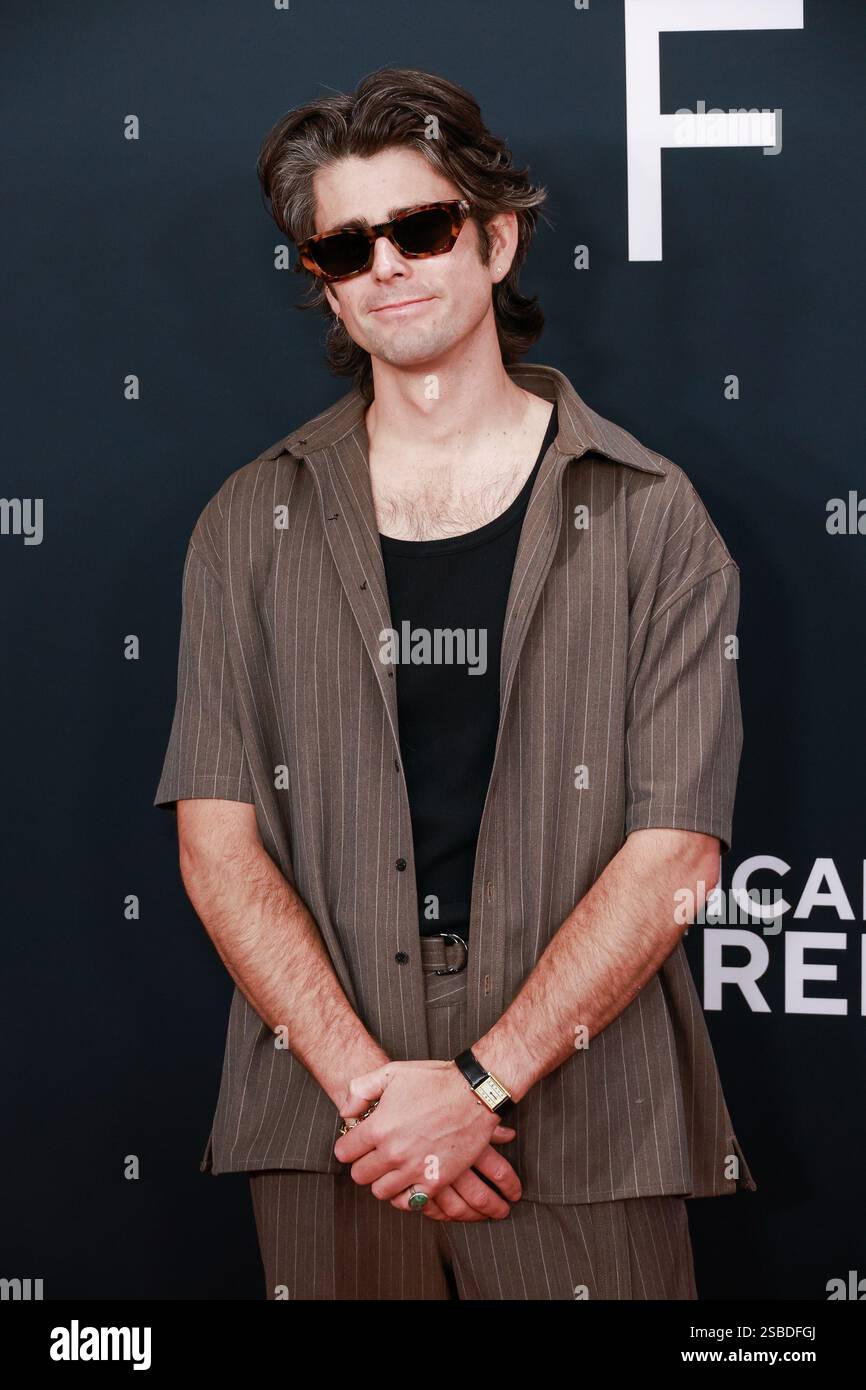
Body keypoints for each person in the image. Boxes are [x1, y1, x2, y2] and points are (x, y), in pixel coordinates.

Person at [154, 66, 756, 1301]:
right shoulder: (244, 522)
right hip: (336, 1131)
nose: (387, 263)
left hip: (584, 1119)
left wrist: (475, 1087)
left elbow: (677, 856)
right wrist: (378, 1100)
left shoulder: (651, 517)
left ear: (494, 236)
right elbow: (217, 844)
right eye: (344, 243)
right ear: (321, 276)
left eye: (420, 227)